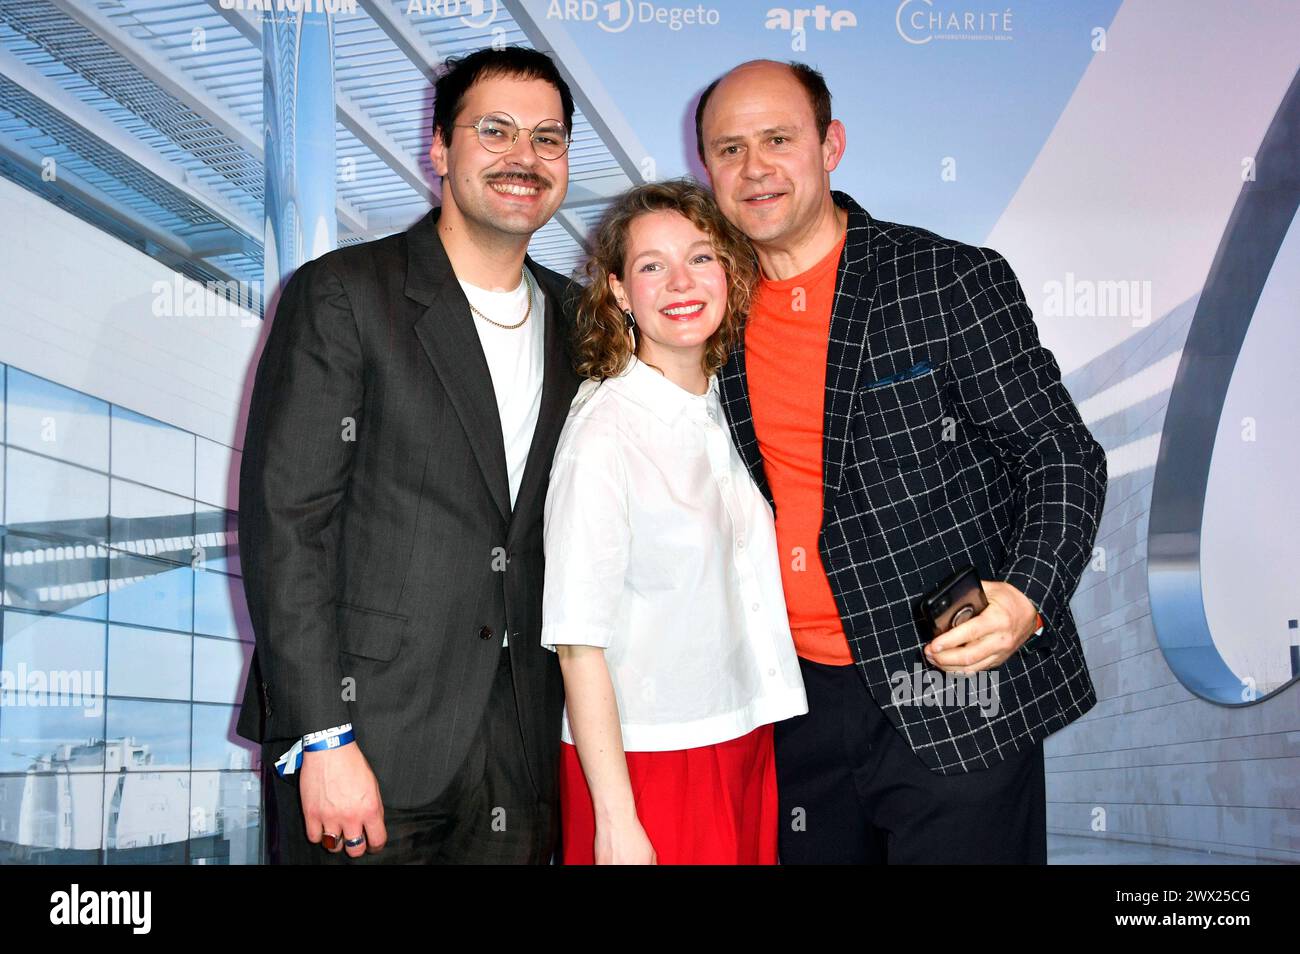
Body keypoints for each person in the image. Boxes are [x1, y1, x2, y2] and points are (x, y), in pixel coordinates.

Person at [695, 59, 1108, 864]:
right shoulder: (708, 309)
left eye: (778, 139)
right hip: (792, 707)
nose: (755, 168)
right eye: (729, 148)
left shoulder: (945, 279)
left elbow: (1060, 456)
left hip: (951, 691)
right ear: (707, 168)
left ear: (831, 144)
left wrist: (1028, 597)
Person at [235, 47, 582, 864]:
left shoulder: (583, 321)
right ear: (439, 148)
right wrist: (322, 739)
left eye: (548, 138)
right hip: (368, 738)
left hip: (526, 741)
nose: (523, 158)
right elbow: (288, 524)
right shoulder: (346, 295)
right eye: (494, 131)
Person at [540, 179, 808, 865]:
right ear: (620, 291)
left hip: (745, 735)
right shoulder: (604, 429)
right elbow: (577, 643)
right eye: (652, 266)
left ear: (730, 271)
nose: (680, 283)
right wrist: (617, 821)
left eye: (701, 257)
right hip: (648, 758)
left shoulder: (733, 405)